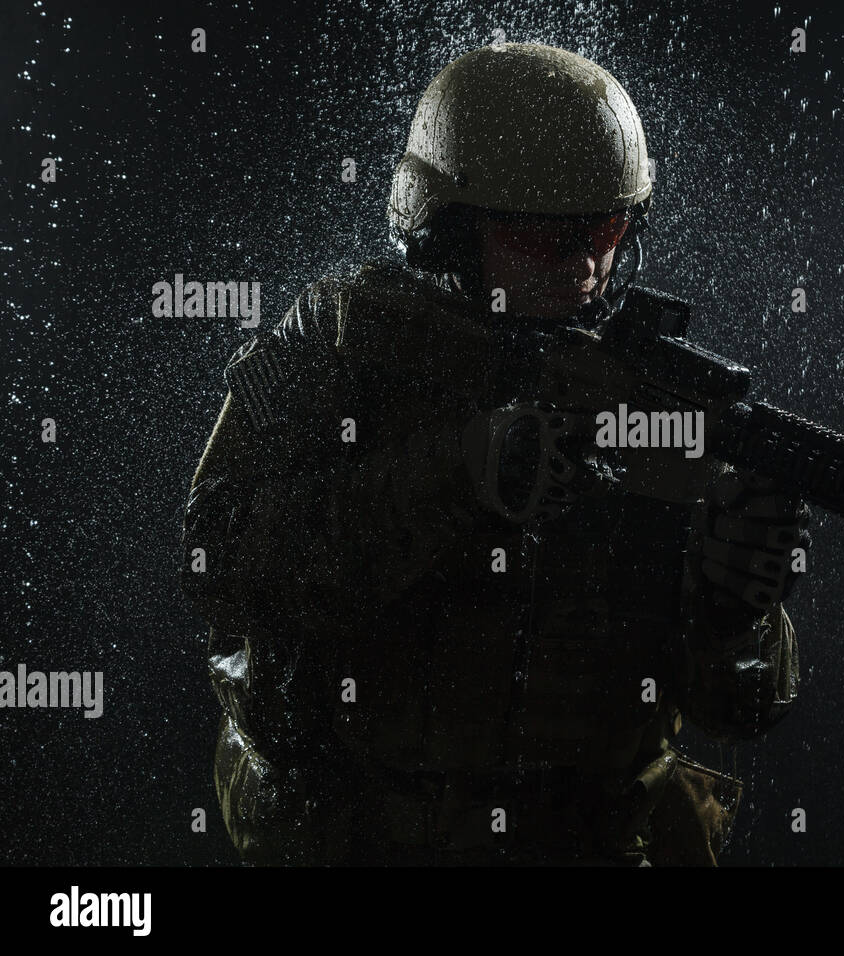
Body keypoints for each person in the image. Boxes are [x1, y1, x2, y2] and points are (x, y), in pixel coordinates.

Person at [181, 41, 809, 865]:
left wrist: (737, 612)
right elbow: (214, 571)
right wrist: (458, 472)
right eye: (547, 243)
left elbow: (741, 711)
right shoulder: (342, 349)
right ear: (447, 232)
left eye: (608, 229)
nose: (587, 267)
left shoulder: (651, 404)